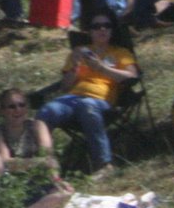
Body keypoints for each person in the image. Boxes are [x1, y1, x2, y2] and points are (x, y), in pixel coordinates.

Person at [34, 10, 137, 178]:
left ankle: (104, 165)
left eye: (107, 26)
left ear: (112, 30)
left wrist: (102, 68)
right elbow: (66, 87)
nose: (102, 29)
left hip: (100, 100)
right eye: (96, 26)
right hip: (72, 98)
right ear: (90, 31)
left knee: (87, 105)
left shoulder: (121, 53)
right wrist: (75, 65)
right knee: (47, 111)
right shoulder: (80, 52)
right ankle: (44, 164)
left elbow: (132, 76)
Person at [0, 89, 65, 208]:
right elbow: (6, 163)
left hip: (35, 183)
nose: (18, 109)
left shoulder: (37, 126)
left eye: (22, 105)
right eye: (11, 106)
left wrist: (57, 180)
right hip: (8, 184)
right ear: (2, 111)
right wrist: (38, 162)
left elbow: (48, 156)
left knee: (64, 194)